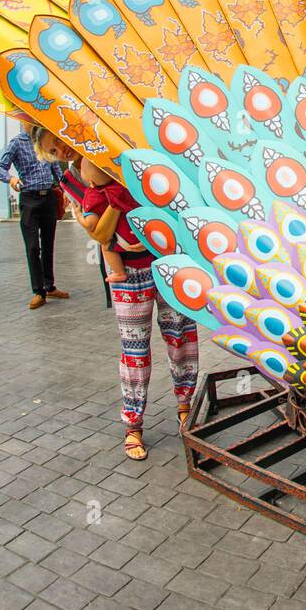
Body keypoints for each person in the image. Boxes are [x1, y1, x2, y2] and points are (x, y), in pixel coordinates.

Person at [61, 150, 198, 461]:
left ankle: (185, 408)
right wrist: (115, 202)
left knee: (182, 339)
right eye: (53, 150)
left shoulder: (137, 153)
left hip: (168, 265)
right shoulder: (77, 180)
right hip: (129, 274)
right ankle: (133, 424)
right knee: (134, 352)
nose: (61, 151)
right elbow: (99, 233)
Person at [0, 127, 69, 309]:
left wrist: (66, 188)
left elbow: (55, 168)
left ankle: (49, 286)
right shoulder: (16, 143)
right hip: (29, 199)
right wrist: (11, 179)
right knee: (33, 247)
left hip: (49, 198)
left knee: (48, 243)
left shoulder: (44, 140)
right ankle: (38, 291)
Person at [75, 159, 137, 283]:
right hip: (137, 232)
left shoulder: (94, 195)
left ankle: (119, 273)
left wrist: (79, 217)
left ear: (91, 183)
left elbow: (91, 225)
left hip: (125, 241)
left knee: (106, 246)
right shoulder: (122, 186)